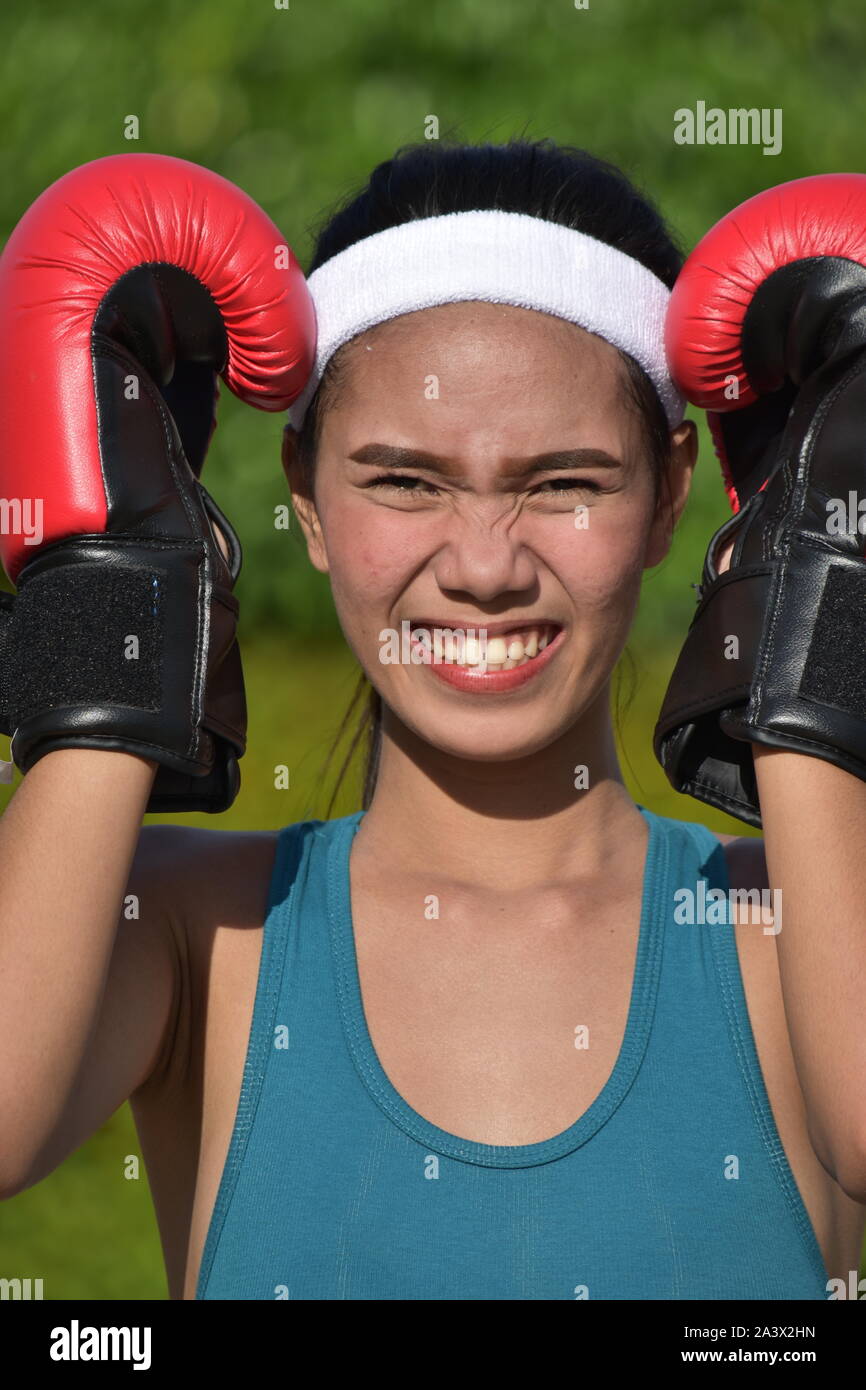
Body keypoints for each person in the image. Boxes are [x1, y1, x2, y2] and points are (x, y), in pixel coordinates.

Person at [1, 137, 864, 1301]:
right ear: (302, 495)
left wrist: (813, 573)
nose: (482, 566)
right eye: (404, 481)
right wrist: (121, 572)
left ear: (668, 496)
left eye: (564, 483)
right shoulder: (191, 929)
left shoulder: (792, 927)